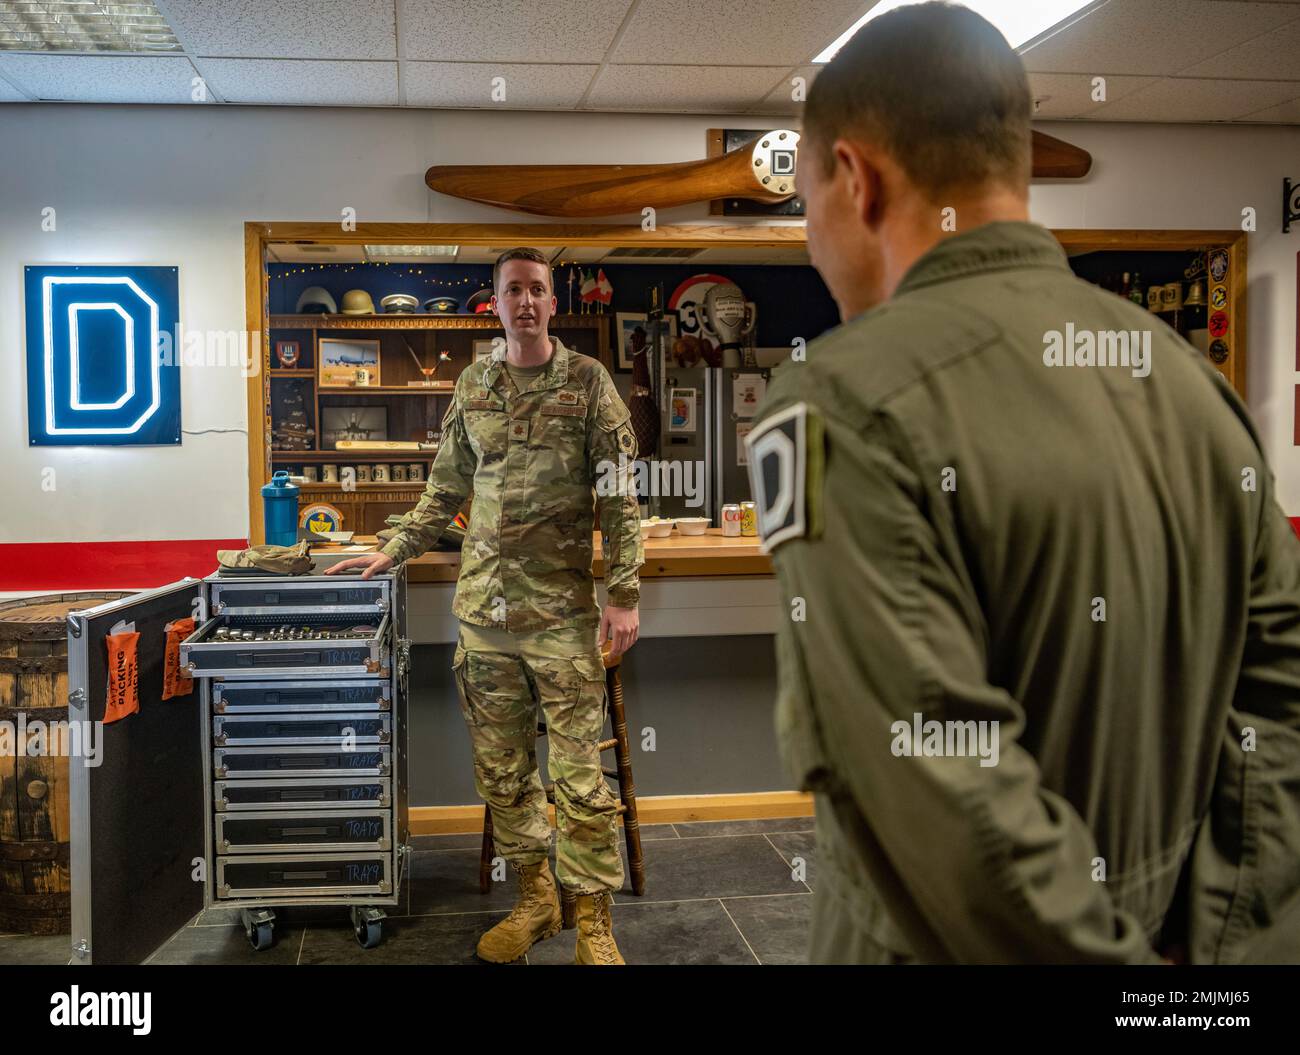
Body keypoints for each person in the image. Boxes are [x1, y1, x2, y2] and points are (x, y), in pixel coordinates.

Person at [746, 1, 1300, 964]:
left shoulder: (840, 402)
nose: (811, 239)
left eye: (805, 207)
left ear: (853, 178)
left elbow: (938, 790)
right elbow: (1280, 711)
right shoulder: (1189, 383)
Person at [328, 248, 643, 965]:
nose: (526, 302)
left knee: (578, 779)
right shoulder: (473, 384)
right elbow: (445, 487)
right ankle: (536, 900)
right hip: (483, 618)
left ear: (552, 303)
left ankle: (593, 921)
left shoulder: (590, 384)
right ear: (494, 304)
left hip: (562, 617)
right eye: (513, 290)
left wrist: (623, 594)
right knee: (503, 775)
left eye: (537, 289)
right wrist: (398, 546)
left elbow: (621, 497)